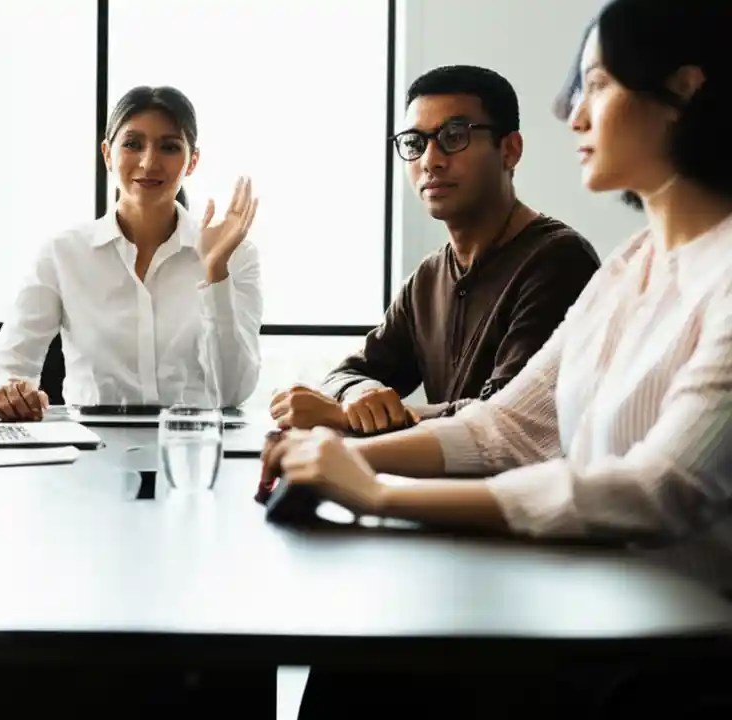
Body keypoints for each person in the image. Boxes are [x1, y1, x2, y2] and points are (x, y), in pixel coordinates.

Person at [266, 1, 732, 716]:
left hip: (670, 658)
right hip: (590, 607)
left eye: (597, 86)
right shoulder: (630, 266)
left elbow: (655, 489)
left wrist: (379, 491)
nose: (573, 116)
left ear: (686, 92)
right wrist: (341, 451)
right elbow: (503, 427)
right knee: (352, 669)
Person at [271, 66, 600, 436]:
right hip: (442, 487)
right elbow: (350, 373)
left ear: (510, 150)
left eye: (453, 136)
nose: (430, 160)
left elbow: (510, 417)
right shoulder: (427, 278)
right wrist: (362, 394)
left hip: (523, 491)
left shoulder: (559, 261)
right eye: (414, 143)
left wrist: (350, 417)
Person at [0, 85, 262, 420]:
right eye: (133, 144)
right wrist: (11, 390)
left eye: (169, 147)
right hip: (92, 453)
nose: (149, 162)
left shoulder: (237, 256)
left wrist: (215, 271)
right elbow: (9, 366)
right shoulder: (63, 253)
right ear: (107, 154)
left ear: (192, 162)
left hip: (193, 451)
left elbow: (235, 392)